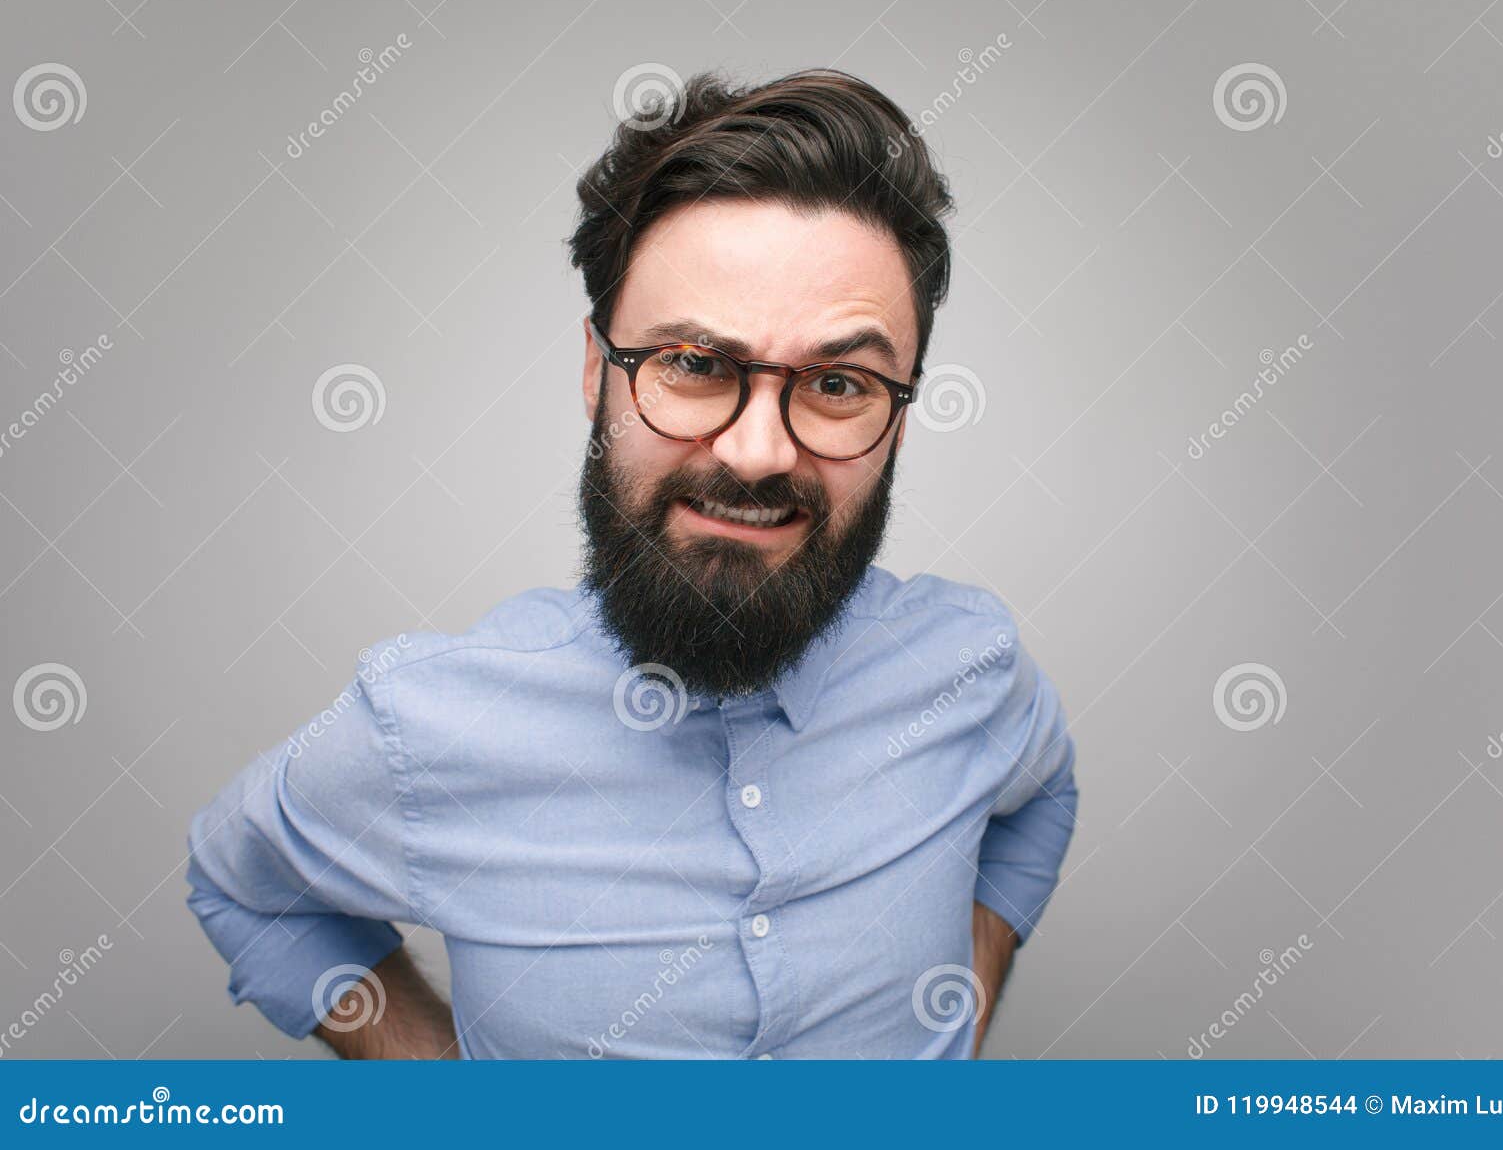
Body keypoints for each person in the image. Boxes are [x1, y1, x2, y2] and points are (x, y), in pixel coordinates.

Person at [186, 67, 1078, 1059]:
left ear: (899, 420)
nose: (756, 452)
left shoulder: (969, 666)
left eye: (838, 382)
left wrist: (970, 988)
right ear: (593, 371)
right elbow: (242, 882)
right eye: (694, 364)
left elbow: (1040, 795)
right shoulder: (423, 724)